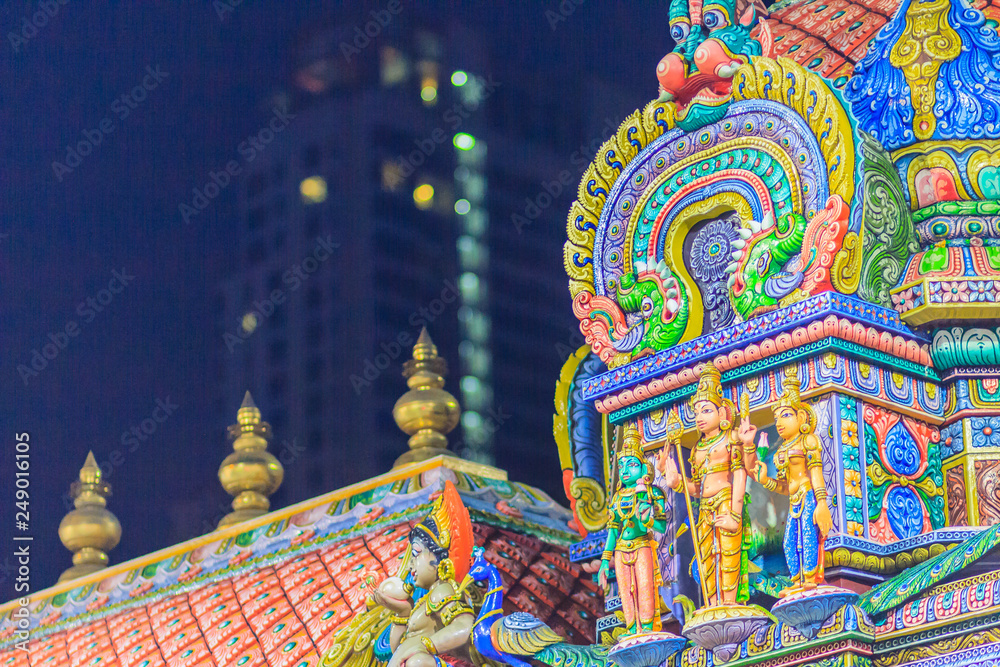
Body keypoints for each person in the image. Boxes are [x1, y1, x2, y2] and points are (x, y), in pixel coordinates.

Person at [658, 361, 749, 606]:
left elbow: (740, 475)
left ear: (722, 413)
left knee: (728, 556)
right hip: (705, 509)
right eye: (697, 412)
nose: (699, 417)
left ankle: (729, 604)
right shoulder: (697, 448)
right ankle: (713, 604)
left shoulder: (730, 439)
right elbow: (697, 489)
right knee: (706, 560)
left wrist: (735, 515)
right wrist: (677, 482)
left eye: (706, 410)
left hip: (726, 505)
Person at [743, 367, 832, 596]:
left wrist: (821, 503)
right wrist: (765, 480)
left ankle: (810, 578)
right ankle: (796, 579)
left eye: (785, 415)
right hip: (793, 499)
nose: (779, 423)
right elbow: (783, 486)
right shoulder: (781, 451)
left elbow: (816, 473)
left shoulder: (808, 441)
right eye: (776, 418)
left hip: (809, 495)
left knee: (808, 536)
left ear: (800, 417)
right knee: (789, 542)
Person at [598, 421, 668, 635]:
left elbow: (662, 527)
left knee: (645, 587)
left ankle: (646, 628)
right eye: (621, 466)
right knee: (626, 592)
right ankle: (631, 629)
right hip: (620, 549)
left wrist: (647, 520)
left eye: (631, 464)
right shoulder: (618, 497)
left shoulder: (652, 493)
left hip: (642, 545)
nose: (625, 471)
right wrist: (603, 562)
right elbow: (612, 531)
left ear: (644, 467)